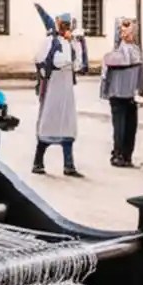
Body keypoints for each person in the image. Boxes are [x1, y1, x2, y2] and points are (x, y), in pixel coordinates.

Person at [32, 13, 84, 177]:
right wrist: (66, 58)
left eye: (68, 25)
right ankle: (38, 161)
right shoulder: (49, 42)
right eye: (63, 25)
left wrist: (75, 45)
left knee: (67, 123)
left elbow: (79, 64)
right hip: (53, 86)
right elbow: (50, 60)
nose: (65, 28)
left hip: (66, 88)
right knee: (49, 122)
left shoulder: (73, 43)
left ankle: (69, 164)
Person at [100, 18, 143, 168]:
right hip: (118, 93)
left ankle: (127, 155)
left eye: (131, 30)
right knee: (119, 126)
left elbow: (140, 71)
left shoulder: (136, 49)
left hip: (131, 94)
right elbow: (116, 64)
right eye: (124, 30)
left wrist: (141, 90)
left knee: (131, 126)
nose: (128, 33)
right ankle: (117, 154)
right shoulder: (118, 51)